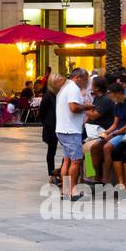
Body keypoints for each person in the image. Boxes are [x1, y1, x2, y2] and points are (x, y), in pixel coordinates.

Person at [55, 68, 90, 199]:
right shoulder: (73, 88)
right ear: (78, 77)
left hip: (63, 129)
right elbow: (73, 108)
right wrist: (87, 107)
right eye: (85, 79)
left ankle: (65, 190)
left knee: (67, 160)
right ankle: (73, 191)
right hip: (71, 130)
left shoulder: (65, 87)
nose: (86, 82)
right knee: (76, 160)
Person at [82, 76, 116, 185]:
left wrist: (83, 108)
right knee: (83, 148)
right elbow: (91, 113)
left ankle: (95, 176)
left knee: (90, 148)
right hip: (91, 130)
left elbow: (94, 115)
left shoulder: (106, 99)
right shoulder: (97, 97)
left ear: (97, 88)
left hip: (101, 130)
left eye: (92, 85)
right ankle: (90, 175)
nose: (90, 87)